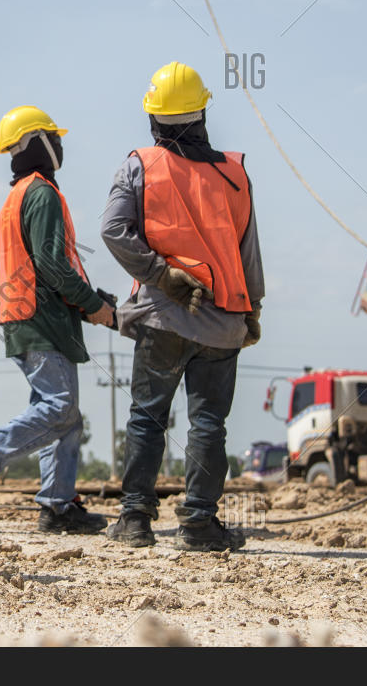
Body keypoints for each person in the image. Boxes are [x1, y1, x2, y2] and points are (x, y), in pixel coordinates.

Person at [99, 62, 264, 551]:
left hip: (162, 319)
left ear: (153, 118)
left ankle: (134, 520)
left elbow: (113, 230)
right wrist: (252, 308)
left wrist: (160, 275)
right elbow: (248, 249)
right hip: (221, 323)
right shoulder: (234, 173)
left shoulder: (139, 166)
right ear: (203, 112)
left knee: (147, 417)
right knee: (209, 423)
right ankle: (197, 524)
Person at [0, 105, 113, 534]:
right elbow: (52, 266)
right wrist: (92, 305)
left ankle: (57, 507)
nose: (59, 144)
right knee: (61, 409)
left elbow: (47, 267)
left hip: (29, 315)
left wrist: (89, 301)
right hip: (40, 319)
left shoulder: (18, 195)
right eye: (52, 137)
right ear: (36, 143)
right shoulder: (41, 193)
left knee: (65, 417)